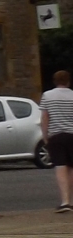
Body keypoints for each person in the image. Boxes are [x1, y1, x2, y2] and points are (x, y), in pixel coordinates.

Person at [44, 69, 73, 212]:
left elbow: (45, 118)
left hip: (55, 136)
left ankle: (65, 201)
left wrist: (45, 136)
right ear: (68, 81)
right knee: (71, 168)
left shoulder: (47, 96)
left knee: (60, 167)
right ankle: (71, 201)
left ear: (55, 81)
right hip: (72, 135)